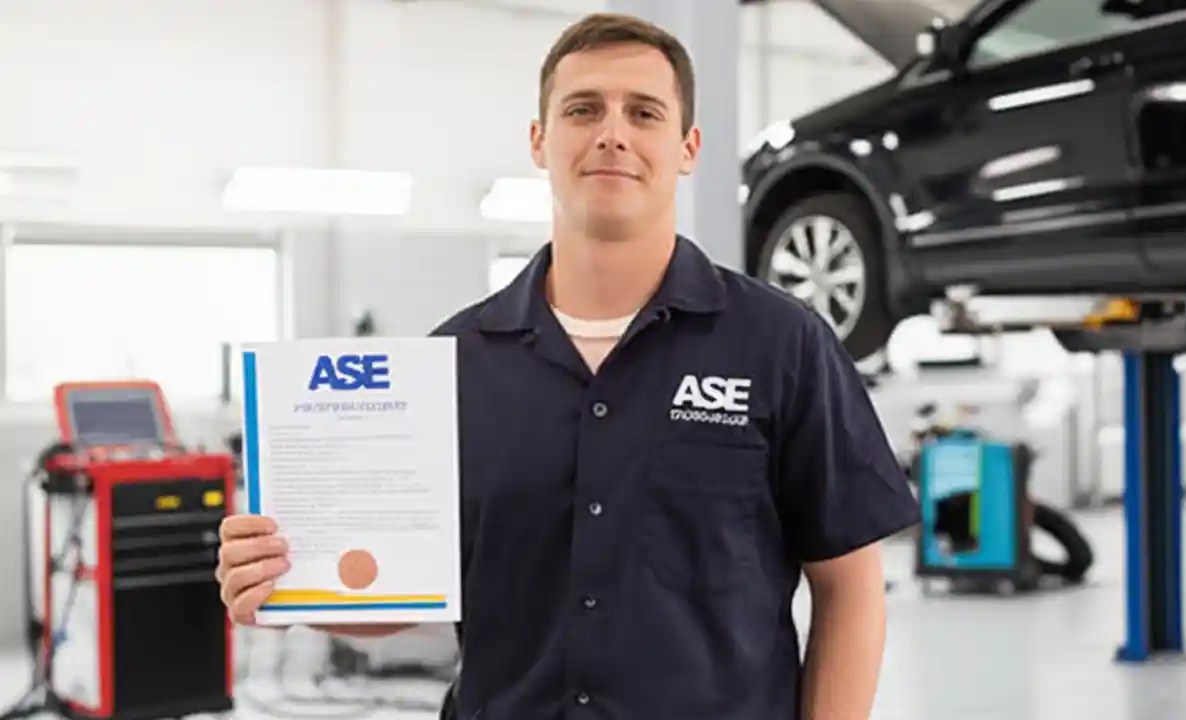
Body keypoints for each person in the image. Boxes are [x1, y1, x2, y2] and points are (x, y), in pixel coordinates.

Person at [215, 11, 920, 719]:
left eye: (643, 112)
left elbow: (849, 587)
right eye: (583, 109)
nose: (612, 132)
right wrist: (289, 582)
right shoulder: (452, 363)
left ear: (687, 147)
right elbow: (407, 592)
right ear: (539, 140)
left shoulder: (781, 344)